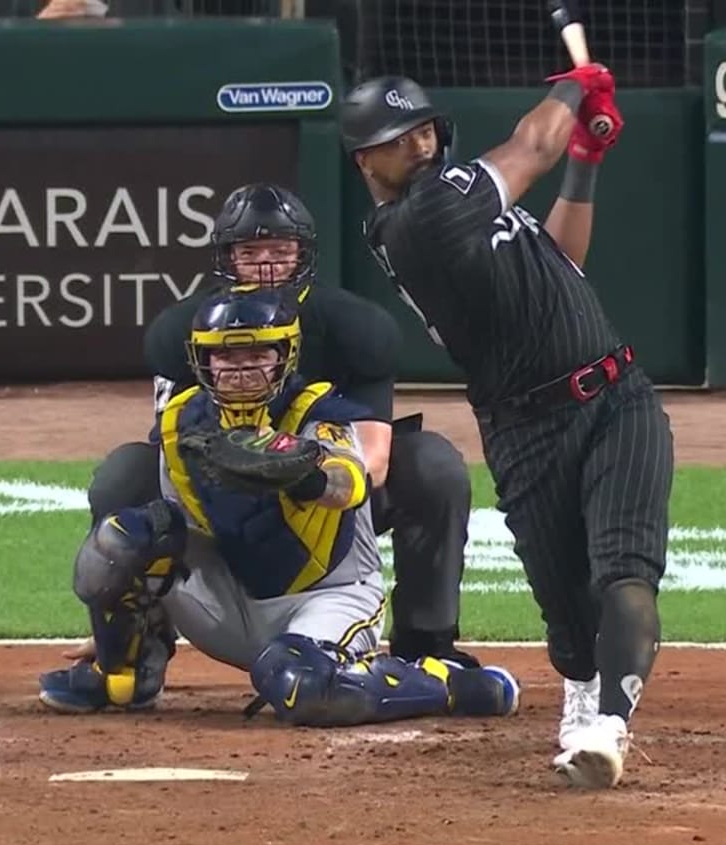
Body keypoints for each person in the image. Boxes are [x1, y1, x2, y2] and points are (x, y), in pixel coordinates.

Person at [339, 67, 675, 788]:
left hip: (620, 399)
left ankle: (609, 726)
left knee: (624, 573)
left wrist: (586, 159)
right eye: (401, 138)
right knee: (567, 616)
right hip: (527, 432)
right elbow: (532, 146)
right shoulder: (423, 217)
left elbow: (563, 259)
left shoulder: (457, 202)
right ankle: (583, 693)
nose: (422, 142)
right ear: (367, 160)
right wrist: (576, 89)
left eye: (425, 126)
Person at [36, 285, 519, 727]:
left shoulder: (316, 409)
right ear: (201, 360)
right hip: (225, 597)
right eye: (225, 355)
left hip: (326, 594)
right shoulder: (180, 420)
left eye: (257, 353)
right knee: (120, 542)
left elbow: (349, 482)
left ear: (285, 356)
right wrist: (128, 600)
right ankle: (124, 674)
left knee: (308, 690)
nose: (241, 368)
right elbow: (170, 526)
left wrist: (297, 472)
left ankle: (445, 684)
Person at [75, 183, 478, 677]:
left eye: (280, 251)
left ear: (302, 255)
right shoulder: (179, 331)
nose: (266, 265)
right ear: (227, 258)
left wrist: (301, 473)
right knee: (124, 477)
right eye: (250, 252)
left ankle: (425, 644)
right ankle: (134, 642)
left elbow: (373, 460)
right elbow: (172, 457)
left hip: (326, 484)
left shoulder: (354, 326)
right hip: (219, 482)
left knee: (433, 466)